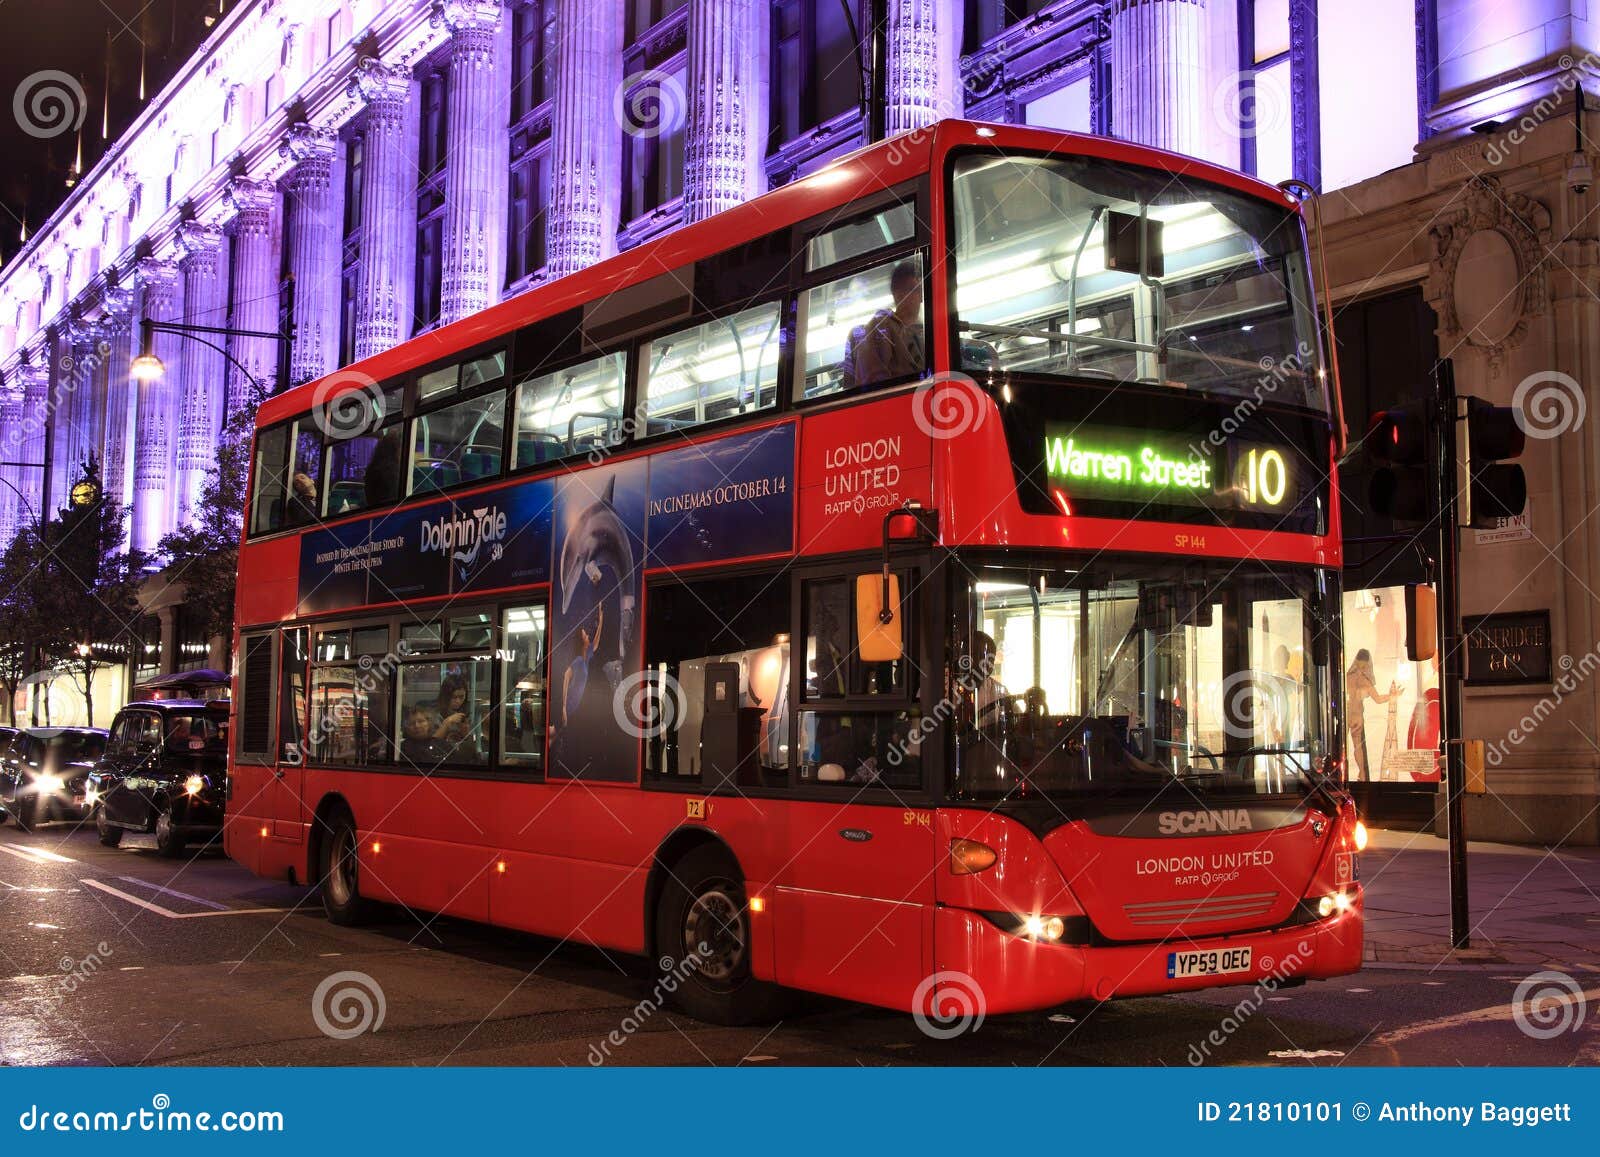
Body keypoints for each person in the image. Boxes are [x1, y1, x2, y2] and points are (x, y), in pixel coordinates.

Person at [844, 261, 925, 389]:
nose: (910, 295)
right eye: (904, 289)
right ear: (895, 294)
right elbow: (872, 383)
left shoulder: (926, 332)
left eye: (916, 289)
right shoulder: (880, 328)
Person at [1345, 649, 1398, 781]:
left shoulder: (1347, 677)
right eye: (1361, 666)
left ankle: (1354, 774)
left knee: (1343, 746)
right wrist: (1393, 695)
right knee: (1358, 747)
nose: (1361, 669)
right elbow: (1378, 699)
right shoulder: (1365, 681)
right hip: (1357, 716)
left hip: (1346, 715)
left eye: (1362, 667)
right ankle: (1362, 774)